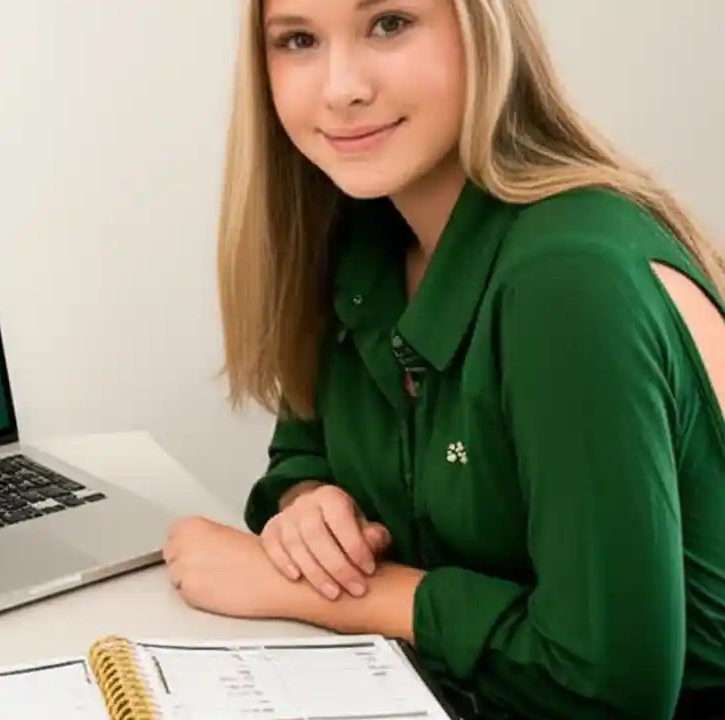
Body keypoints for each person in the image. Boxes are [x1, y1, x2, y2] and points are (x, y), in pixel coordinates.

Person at [160, 0, 725, 718]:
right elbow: (307, 455)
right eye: (298, 39)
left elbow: (610, 688)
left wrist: (330, 592)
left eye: (389, 23)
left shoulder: (570, 280)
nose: (341, 88)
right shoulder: (363, 236)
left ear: (483, 28)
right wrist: (308, 511)